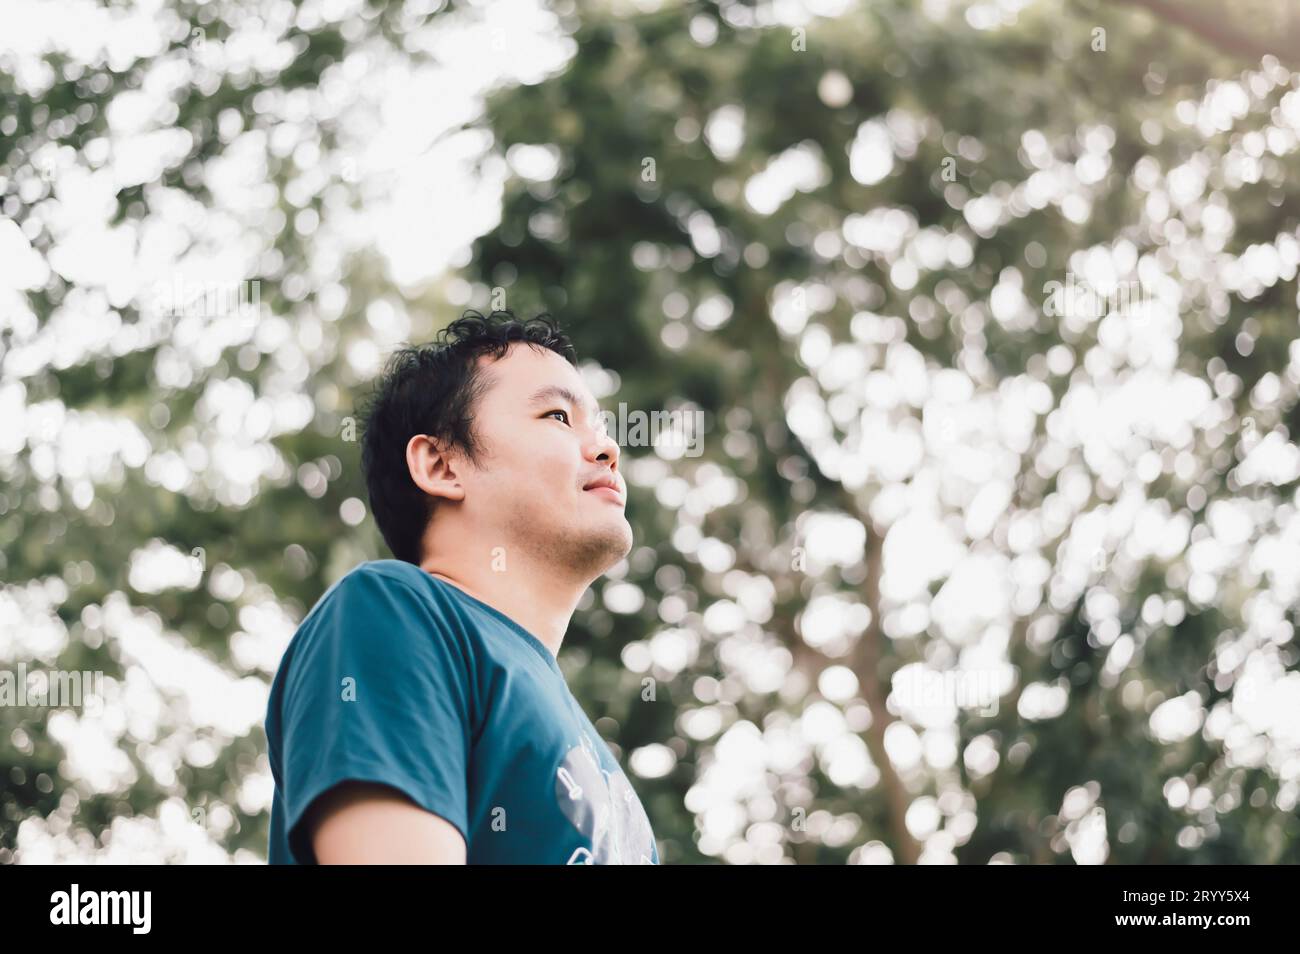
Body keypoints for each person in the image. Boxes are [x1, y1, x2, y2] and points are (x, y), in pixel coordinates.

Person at [264, 311, 659, 864]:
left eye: (600, 426)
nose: (606, 449)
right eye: (558, 415)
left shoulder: (606, 771)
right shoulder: (391, 613)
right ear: (442, 464)